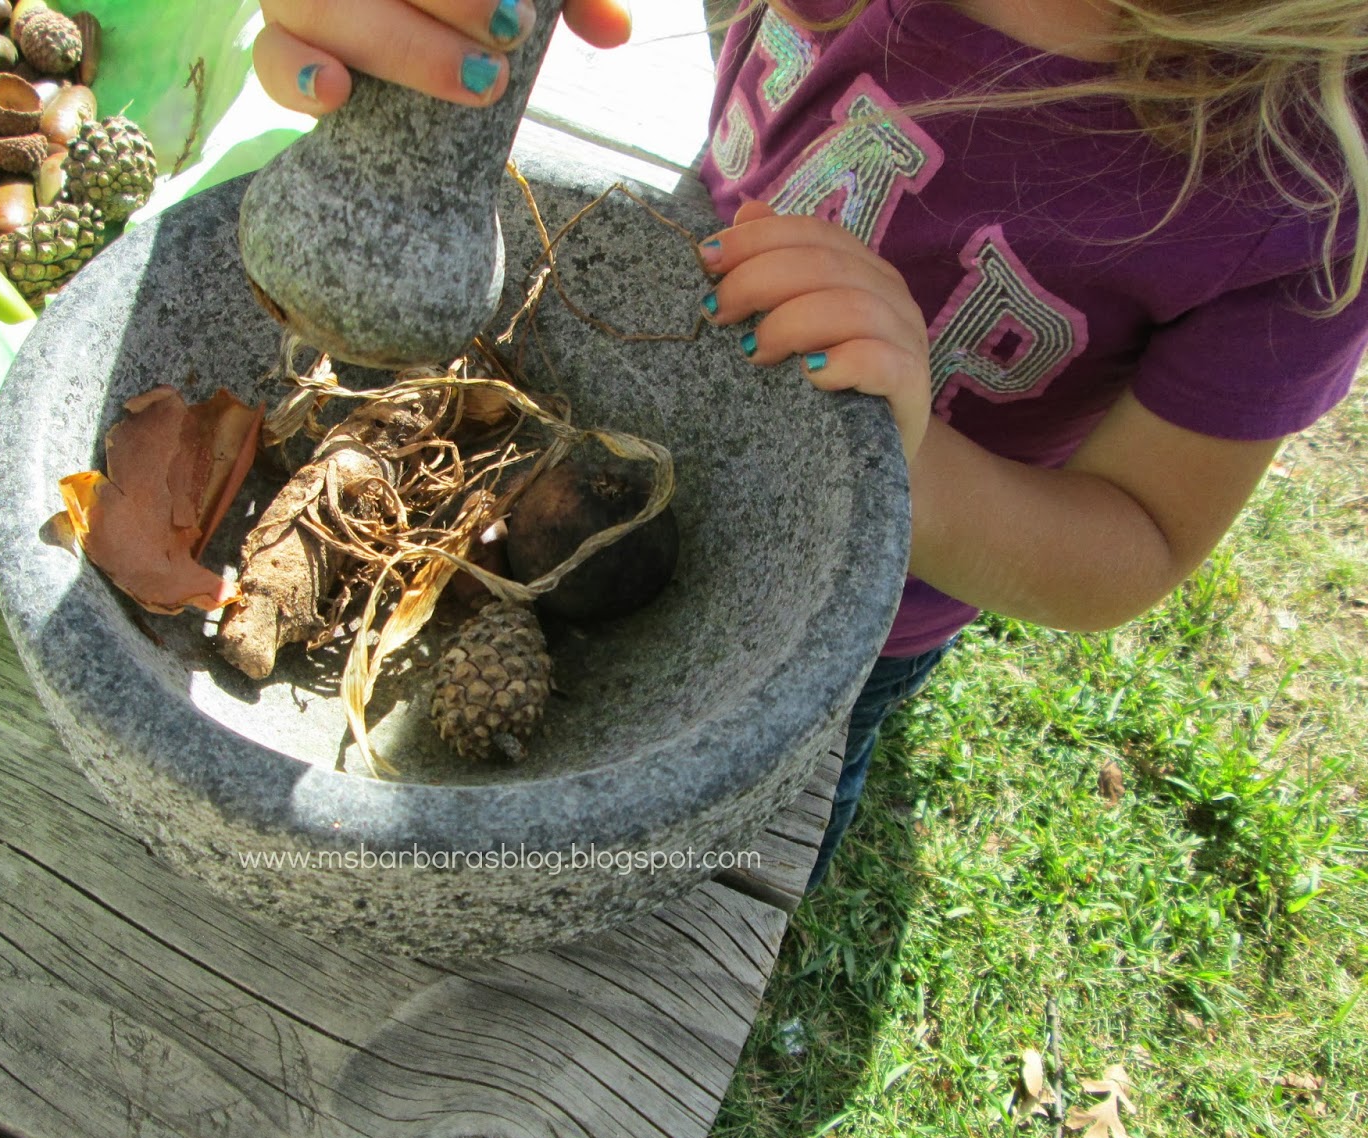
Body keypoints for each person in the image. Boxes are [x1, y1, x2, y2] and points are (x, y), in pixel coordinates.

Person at [252, 0, 1368, 888]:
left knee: (740, 856)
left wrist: (901, 458)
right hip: (657, 344)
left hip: (867, 613)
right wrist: (416, 76)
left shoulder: (1312, 185)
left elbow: (1134, 541)